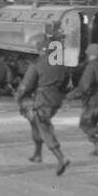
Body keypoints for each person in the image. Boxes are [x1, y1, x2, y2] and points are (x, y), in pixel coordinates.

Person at [14, 38, 71, 176]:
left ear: (40, 50)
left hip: (42, 101)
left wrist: (18, 97)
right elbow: (65, 85)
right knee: (36, 124)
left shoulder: (36, 65)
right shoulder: (61, 65)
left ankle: (61, 158)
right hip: (55, 100)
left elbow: (25, 86)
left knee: (44, 128)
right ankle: (37, 154)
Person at [69, 43, 98, 156]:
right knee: (92, 124)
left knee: (84, 124)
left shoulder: (92, 66)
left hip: (94, 100)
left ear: (91, 55)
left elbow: (84, 86)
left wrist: (70, 96)